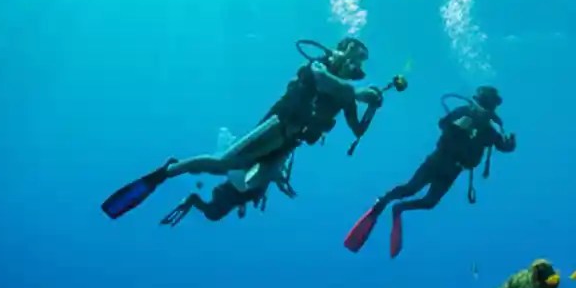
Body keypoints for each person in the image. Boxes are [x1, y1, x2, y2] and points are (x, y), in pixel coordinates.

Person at [101, 37, 391, 220]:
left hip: (290, 143)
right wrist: (360, 93)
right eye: (352, 54)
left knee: (251, 185)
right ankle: (167, 171)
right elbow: (325, 83)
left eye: (358, 62)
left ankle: (202, 193)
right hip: (279, 126)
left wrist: (372, 109)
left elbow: (358, 130)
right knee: (224, 163)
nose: (354, 63)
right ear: (339, 50)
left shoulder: (348, 94)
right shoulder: (318, 66)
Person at [343, 86, 516, 258]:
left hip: (454, 170)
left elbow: (502, 145)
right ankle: (381, 204)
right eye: (482, 105)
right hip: (438, 160)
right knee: (410, 189)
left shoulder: (489, 132)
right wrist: (457, 126)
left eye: (487, 108)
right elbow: (442, 123)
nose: (483, 111)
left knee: (430, 202)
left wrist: (510, 145)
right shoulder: (464, 111)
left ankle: (399, 208)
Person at [158, 141, 299, 226]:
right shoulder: (228, 203)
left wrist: (183, 207)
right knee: (221, 166)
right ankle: (176, 166)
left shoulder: (220, 206)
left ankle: (176, 166)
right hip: (238, 186)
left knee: (219, 165)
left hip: (237, 185)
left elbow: (193, 198)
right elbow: (194, 198)